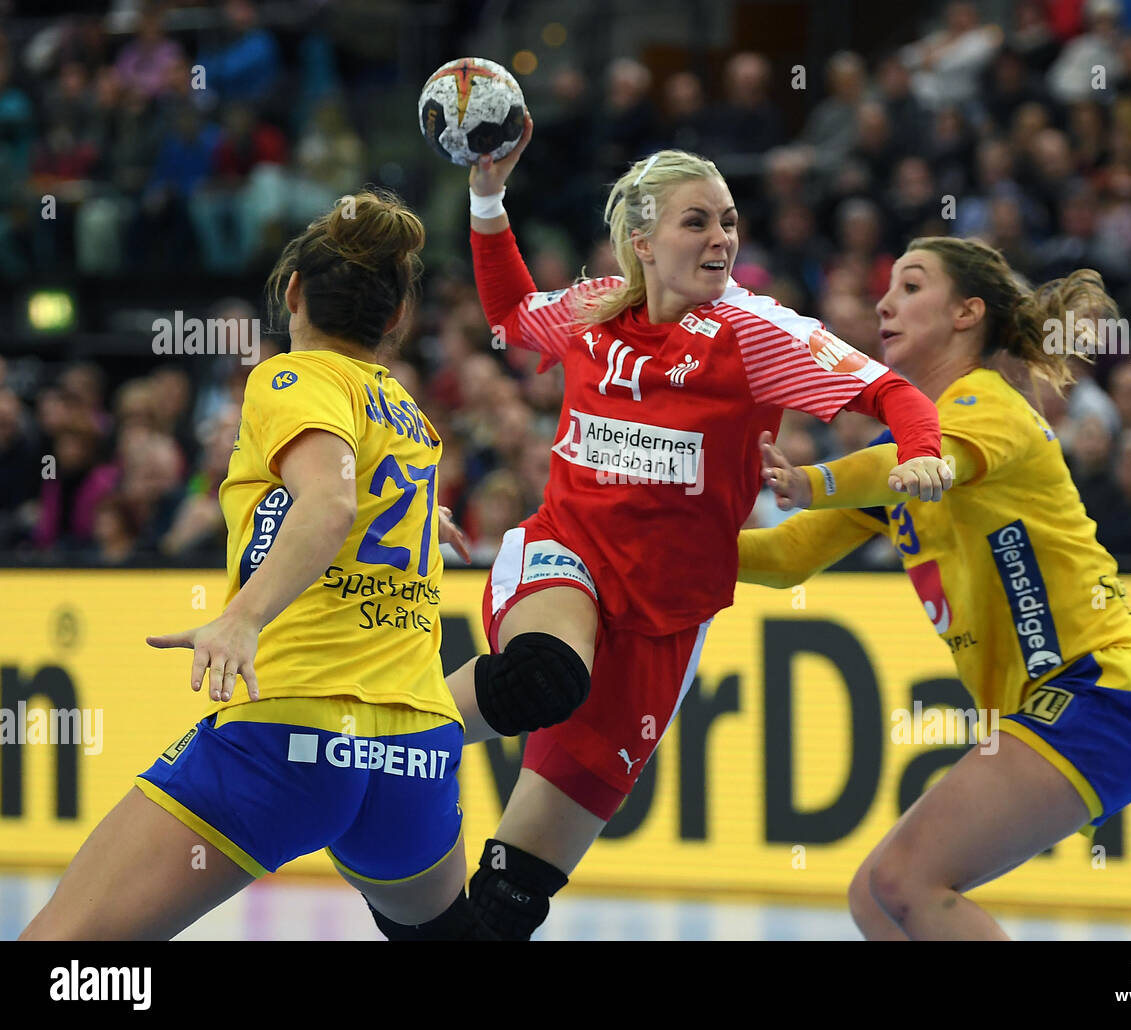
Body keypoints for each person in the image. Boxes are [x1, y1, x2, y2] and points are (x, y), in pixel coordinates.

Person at [445, 115, 952, 940]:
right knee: (543, 675)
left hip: (667, 624)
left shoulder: (756, 332)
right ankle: (377, 735)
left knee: (506, 903)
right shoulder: (593, 310)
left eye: (728, 222)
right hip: (564, 557)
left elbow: (893, 395)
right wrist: (487, 194)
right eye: (697, 221)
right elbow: (508, 312)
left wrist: (920, 454)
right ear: (642, 242)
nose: (721, 237)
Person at [21, 190, 488, 941]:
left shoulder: (289, 377)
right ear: (398, 316)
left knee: (64, 951)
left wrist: (240, 618)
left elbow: (330, 506)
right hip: (415, 752)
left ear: (294, 292)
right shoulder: (409, 414)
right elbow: (348, 500)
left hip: (292, 733)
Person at [738, 236, 1131, 940]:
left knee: (903, 881)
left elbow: (927, 459)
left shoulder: (987, 405)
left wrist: (811, 482)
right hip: (1051, 709)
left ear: (968, 313)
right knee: (873, 899)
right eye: (888, 287)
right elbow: (788, 556)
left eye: (912, 287)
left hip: (1100, 695)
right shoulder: (908, 457)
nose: (885, 301)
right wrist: (667, 551)